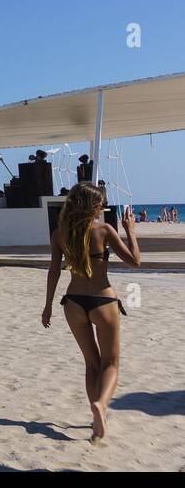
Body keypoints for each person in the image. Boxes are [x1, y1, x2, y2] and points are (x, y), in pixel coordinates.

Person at [42, 182, 141, 446]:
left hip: (73, 303)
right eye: (100, 203)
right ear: (91, 206)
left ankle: (95, 416)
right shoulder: (104, 230)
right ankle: (101, 404)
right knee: (111, 363)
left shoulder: (59, 234)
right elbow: (135, 261)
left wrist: (48, 305)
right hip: (102, 301)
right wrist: (130, 231)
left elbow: (53, 272)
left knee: (91, 364)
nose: (102, 207)